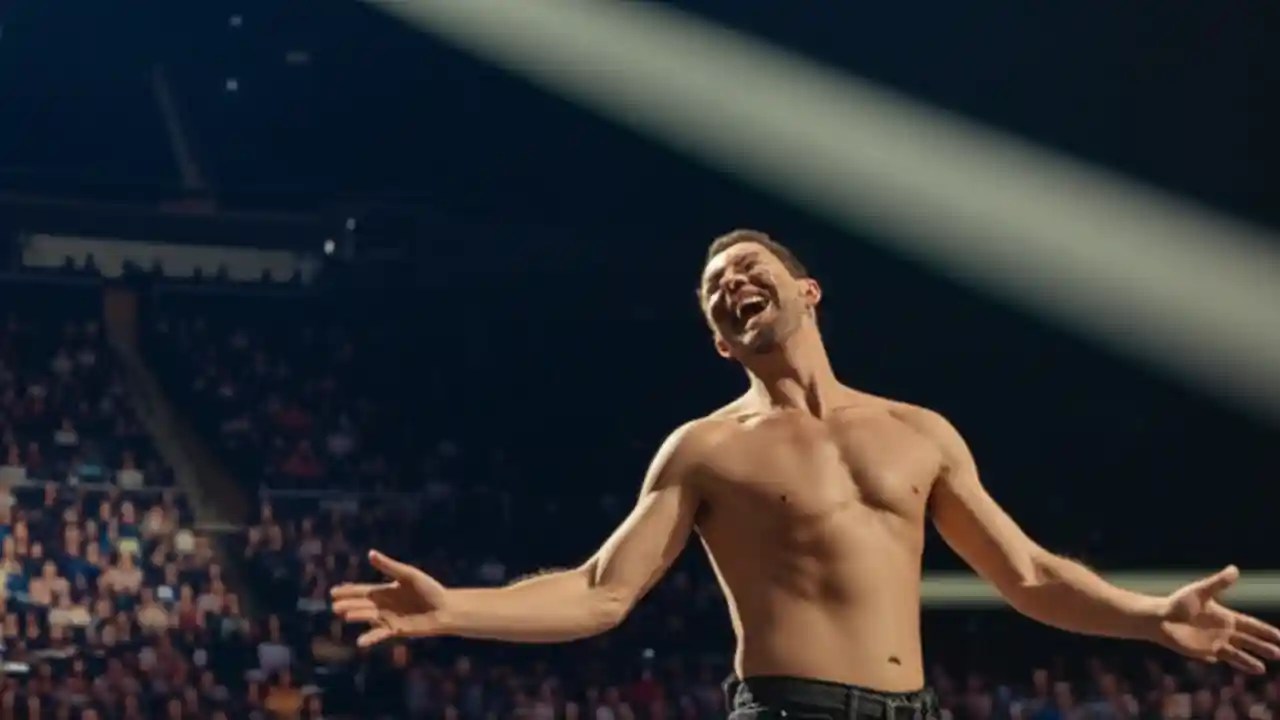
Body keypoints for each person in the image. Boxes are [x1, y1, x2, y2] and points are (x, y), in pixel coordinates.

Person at [332, 229, 1280, 719]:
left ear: (806, 289)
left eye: (746, 268)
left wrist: (1150, 617)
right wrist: (455, 607)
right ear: (717, 339)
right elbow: (598, 592)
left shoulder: (921, 432)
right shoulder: (705, 448)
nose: (733, 283)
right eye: (715, 291)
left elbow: (1027, 577)